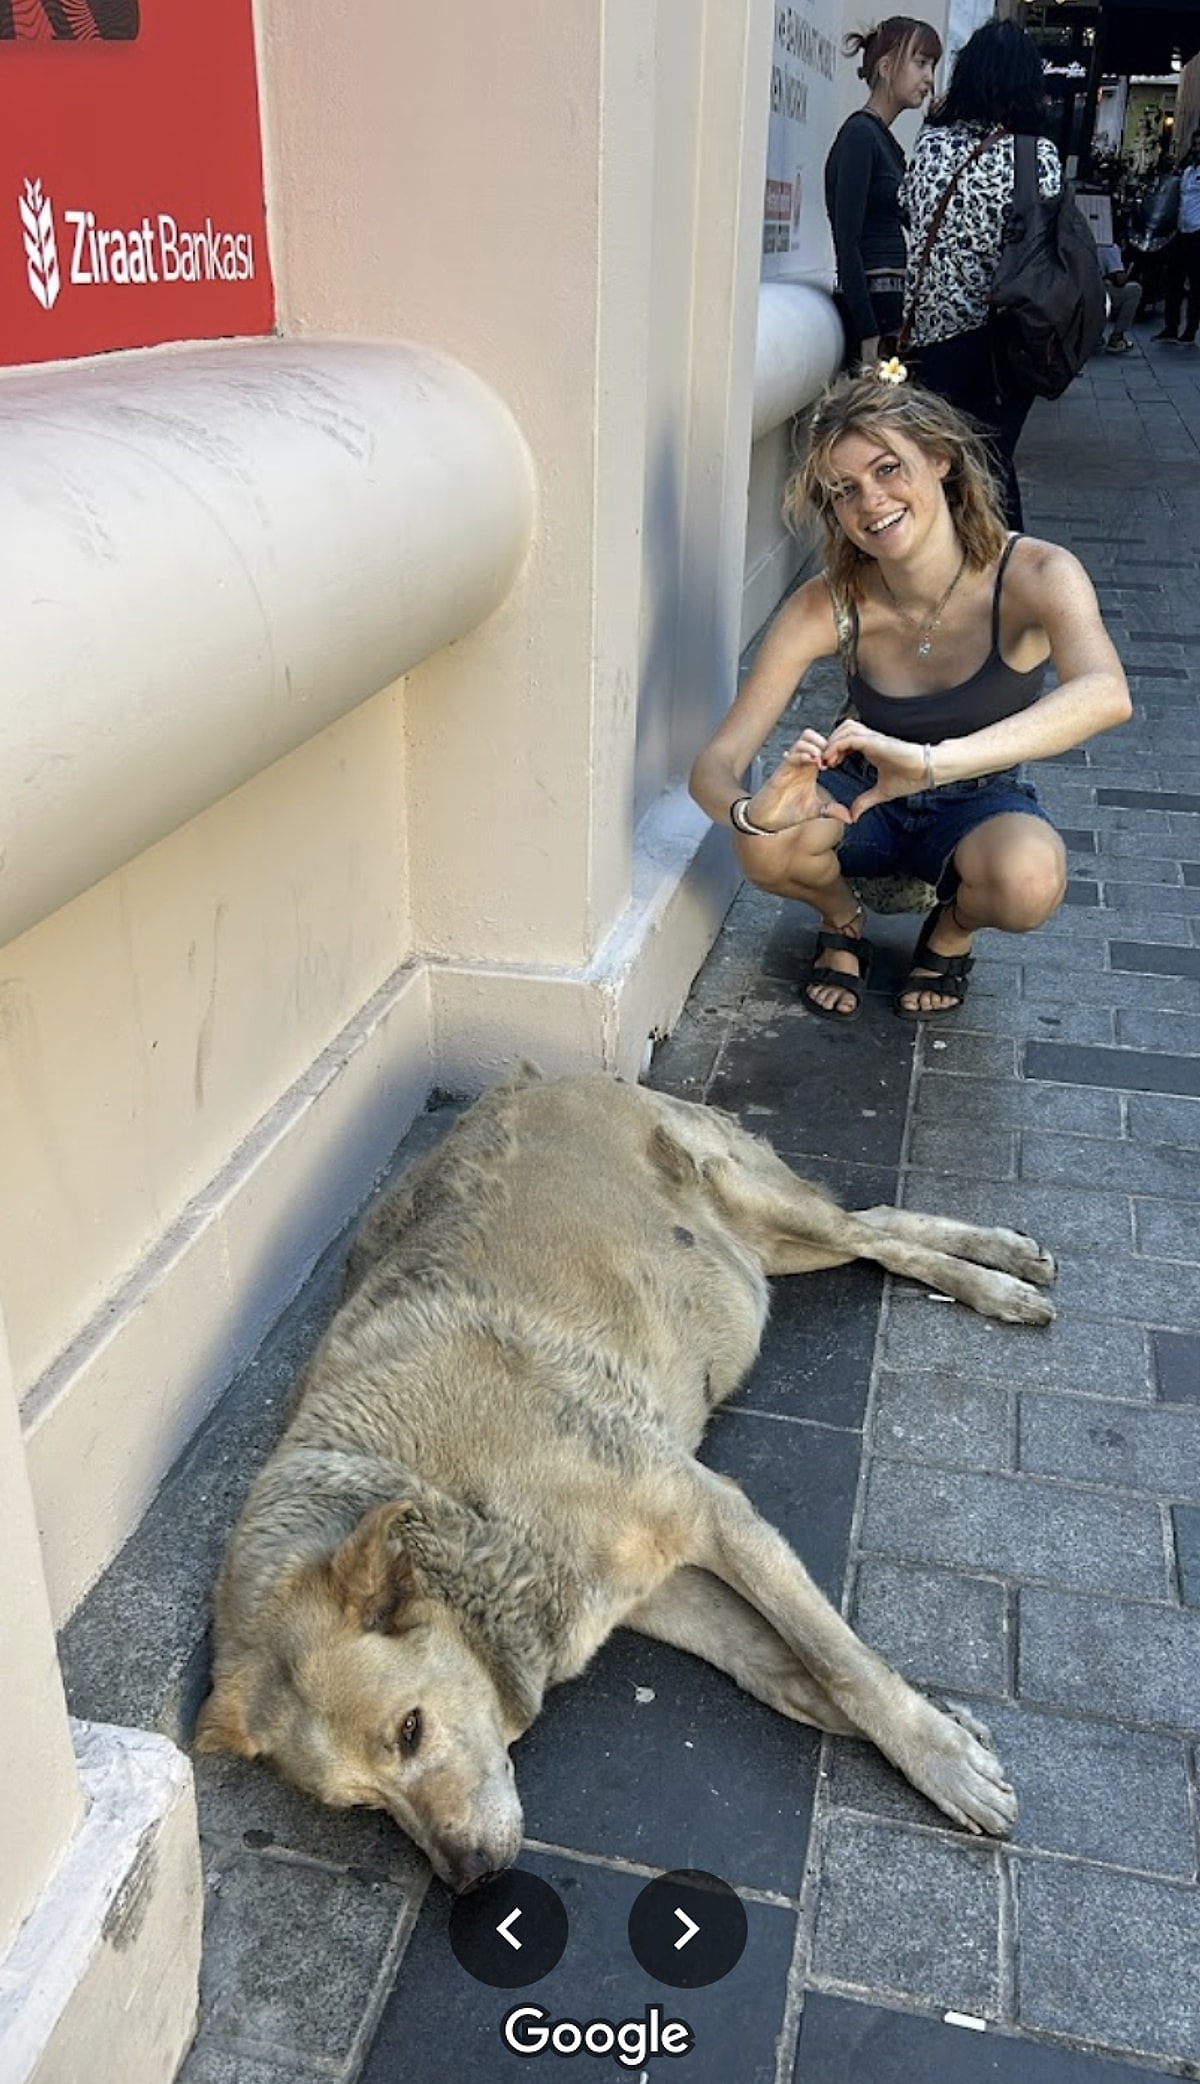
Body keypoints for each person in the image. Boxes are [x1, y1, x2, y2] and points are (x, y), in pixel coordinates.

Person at [687, 372, 1131, 1024]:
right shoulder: (828, 601)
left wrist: (932, 763)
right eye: (844, 491)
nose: (871, 501)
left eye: (889, 468)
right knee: (763, 846)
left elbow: (1105, 694)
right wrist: (756, 813)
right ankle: (842, 920)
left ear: (941, 458)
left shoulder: (1036, 572)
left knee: (1029, 881)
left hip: (979, 796)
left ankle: (951, 932)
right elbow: (712, 765)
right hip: (860, 800)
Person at [898, 18, 1061, 530]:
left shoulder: (929, 146)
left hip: (930, 341)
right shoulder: (1038, 157)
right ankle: (1007, 581)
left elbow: (908, 212)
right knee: (991, 465)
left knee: (938, 470)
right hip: (1006, 343)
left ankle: (947, 580)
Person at [824, 17, 943, 370]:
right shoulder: (860, 136)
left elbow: (916, 217)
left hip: (890, 320)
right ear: (887, 67)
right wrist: (867, 332)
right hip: (873, 324)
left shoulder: (885, 141)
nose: (929, 78)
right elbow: (847, 238)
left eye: (932, 65)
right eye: (920, 63)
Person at [1155, 129, 1200, 345]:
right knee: (1173, 280)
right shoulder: (1188, 172)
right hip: (1181, 231)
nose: (1197, 148)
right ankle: (1170, 326)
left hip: (1198, 233)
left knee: (1196, 285)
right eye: (1195, 144)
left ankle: (1191, 328)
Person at [1094, 238, 1142, 354]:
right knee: (1134, 289)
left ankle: (1094, 337)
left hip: (1075, 290)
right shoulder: (1109, 247)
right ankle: (1116, 338)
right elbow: (1120, 280)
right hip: (1097, 292)